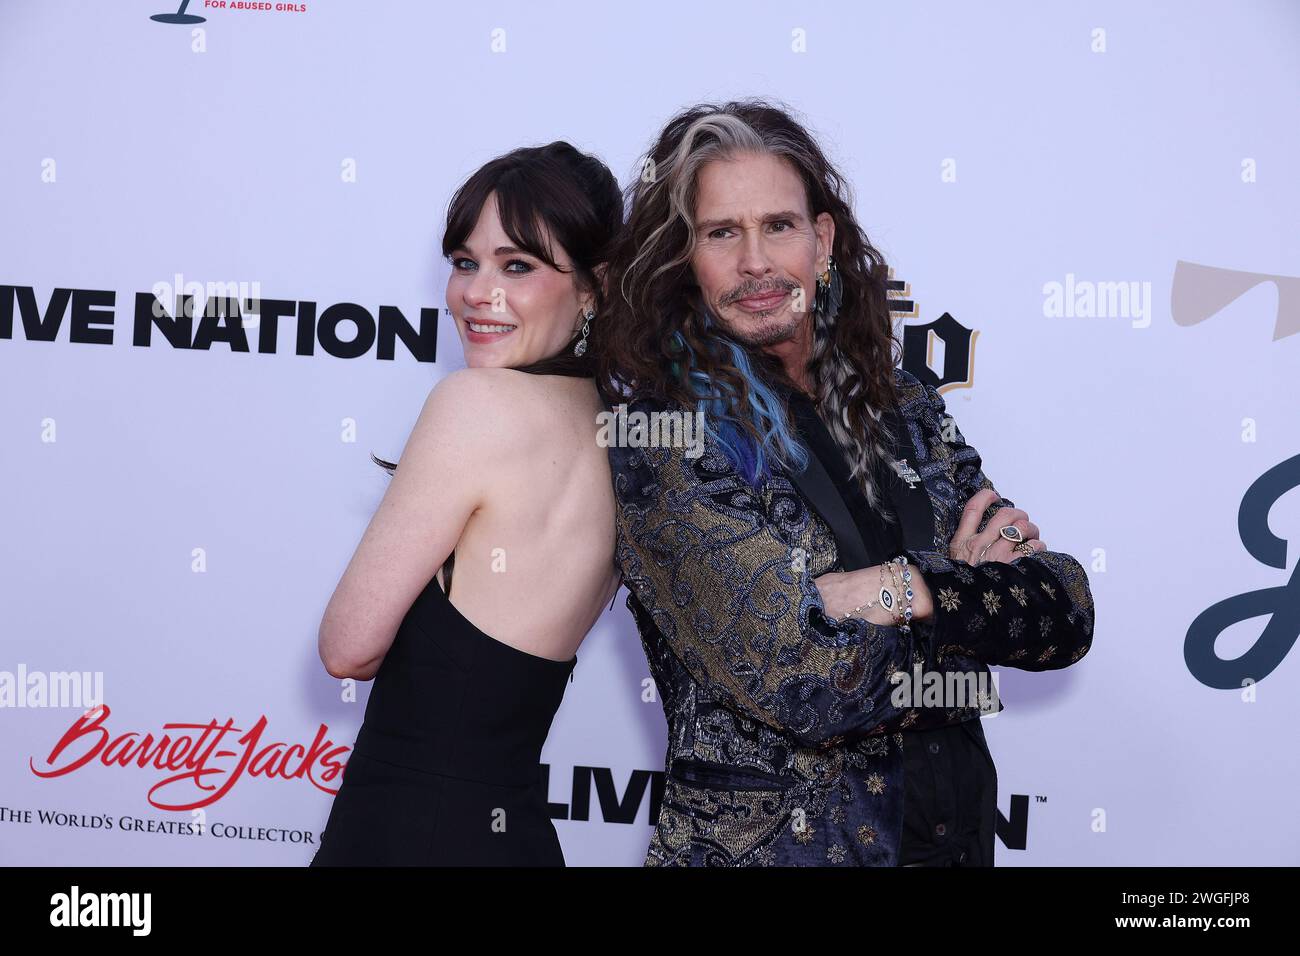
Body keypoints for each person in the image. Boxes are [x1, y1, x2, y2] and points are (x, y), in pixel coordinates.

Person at [597, 99, 1095, 867]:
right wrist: (962, 592)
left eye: (780, 226)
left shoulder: (902, 404)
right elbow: (807, 677)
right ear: (682, 259)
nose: (756, 262)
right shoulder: (663, 437)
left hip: (950, 841)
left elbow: (1063, 609)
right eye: (721, 233)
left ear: (821, 240)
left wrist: (892, 591)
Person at [310, 142, 623, 866]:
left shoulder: (475, 405)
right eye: (464, 261)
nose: (477, 292)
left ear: (594, 286)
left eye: (518, 266)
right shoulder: (620, 436)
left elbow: (347, 647)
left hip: (404, 836)